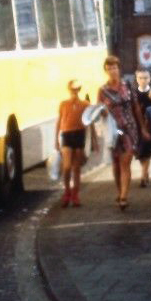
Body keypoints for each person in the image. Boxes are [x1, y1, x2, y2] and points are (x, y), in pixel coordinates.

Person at [99, 56, 147, 211]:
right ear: (106, 71)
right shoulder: (103, 90)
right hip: (113, 131)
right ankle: (119, 192)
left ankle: (124, 196)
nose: (112, 71)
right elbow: (99, 111)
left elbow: (136, 108)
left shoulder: (127, 85)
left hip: (129, 129)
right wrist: (104, 114)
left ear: (119, 69)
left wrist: (143, 128)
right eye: (109, 69)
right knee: (116, 165)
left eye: (114, 68)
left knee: (125, 162)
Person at [55, 79, 90, 207]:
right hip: (67, 134)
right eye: (72, 89)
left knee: (76, 168)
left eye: (77, 89)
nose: (74, 92)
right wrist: (56, 140)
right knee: (67, 166)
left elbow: (89, 123)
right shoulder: (63, 104)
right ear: (69, 90)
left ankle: (75, 194)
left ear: (79, 90)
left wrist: (93, 142)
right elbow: (59, 121)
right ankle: (67, 191)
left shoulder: (85, 104)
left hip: (79, 134)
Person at [132, 68, 151, 188]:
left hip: (150, 126)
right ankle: (145, 171)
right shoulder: (133, 94)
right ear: (137, 79)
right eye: (140, 78)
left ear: (149, 79)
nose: (143, 80)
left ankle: (143, 175)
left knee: (147, 150)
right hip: (136, 127)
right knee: (140, 152)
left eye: (145, 78)